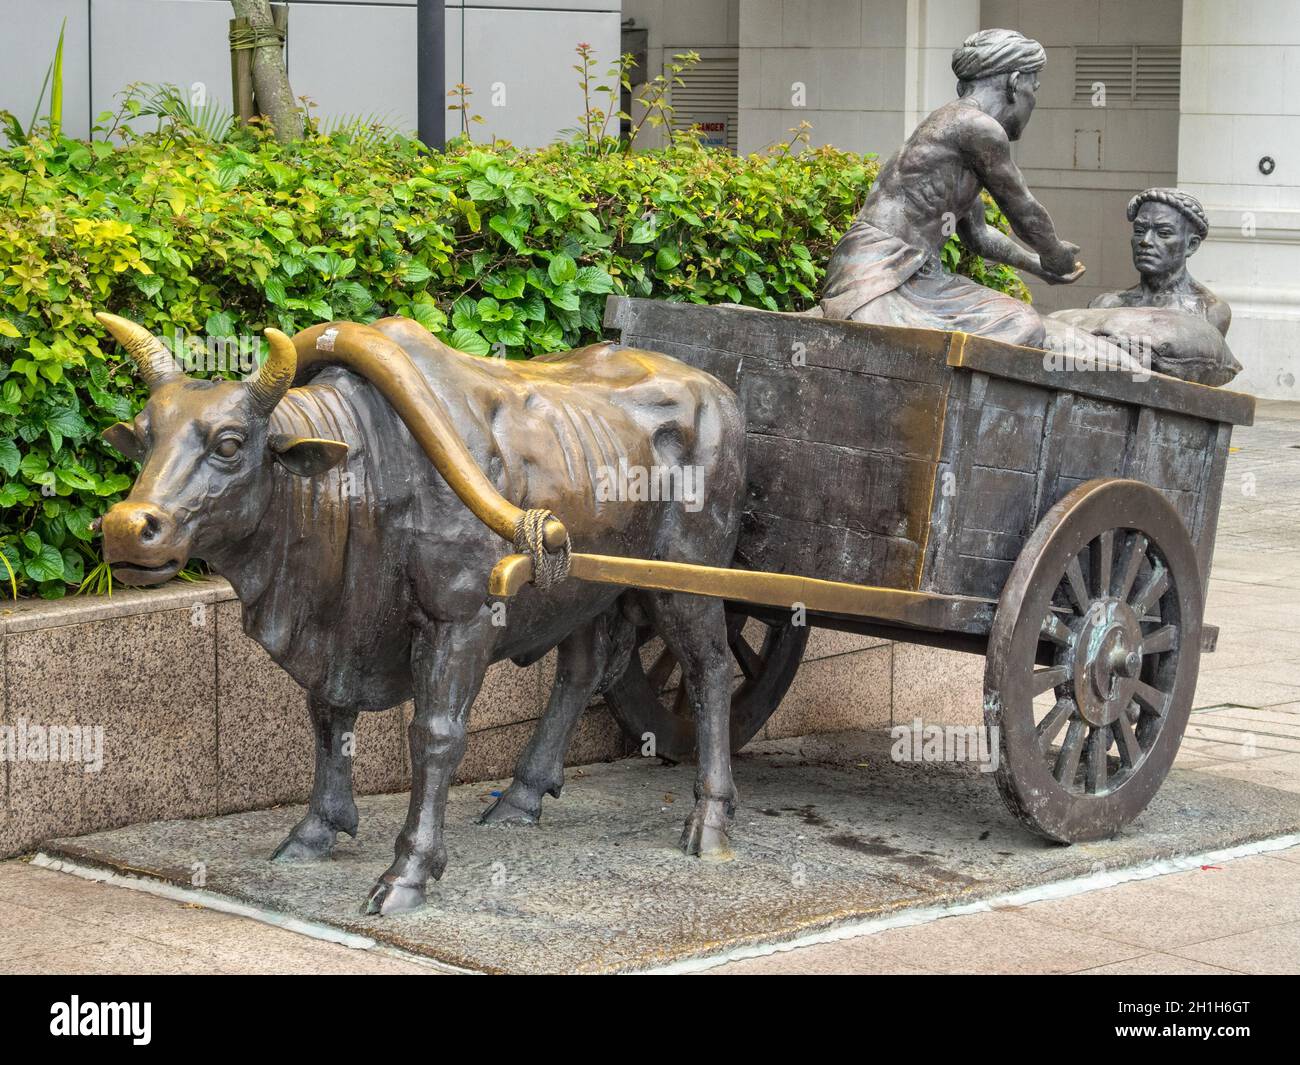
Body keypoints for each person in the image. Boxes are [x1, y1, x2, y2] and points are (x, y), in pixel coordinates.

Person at [820, 28, 1083, 347]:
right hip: (876, 277)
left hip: (914, 276)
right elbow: (1024, 209)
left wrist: (1038, 265)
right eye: (1034, 87)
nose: (1033, 101)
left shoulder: (951, 133)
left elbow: (980, 236)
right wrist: (1054, 253)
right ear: (1015, 84)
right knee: (1022, 326)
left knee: (1021, 321)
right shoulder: (978, 128)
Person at [1050, 188, 1241, 385]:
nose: (1146, 241)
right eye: (1139, 231)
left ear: (1191, 245)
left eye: (1164, 233)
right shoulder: (1106, 303)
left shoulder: (1209, 309)